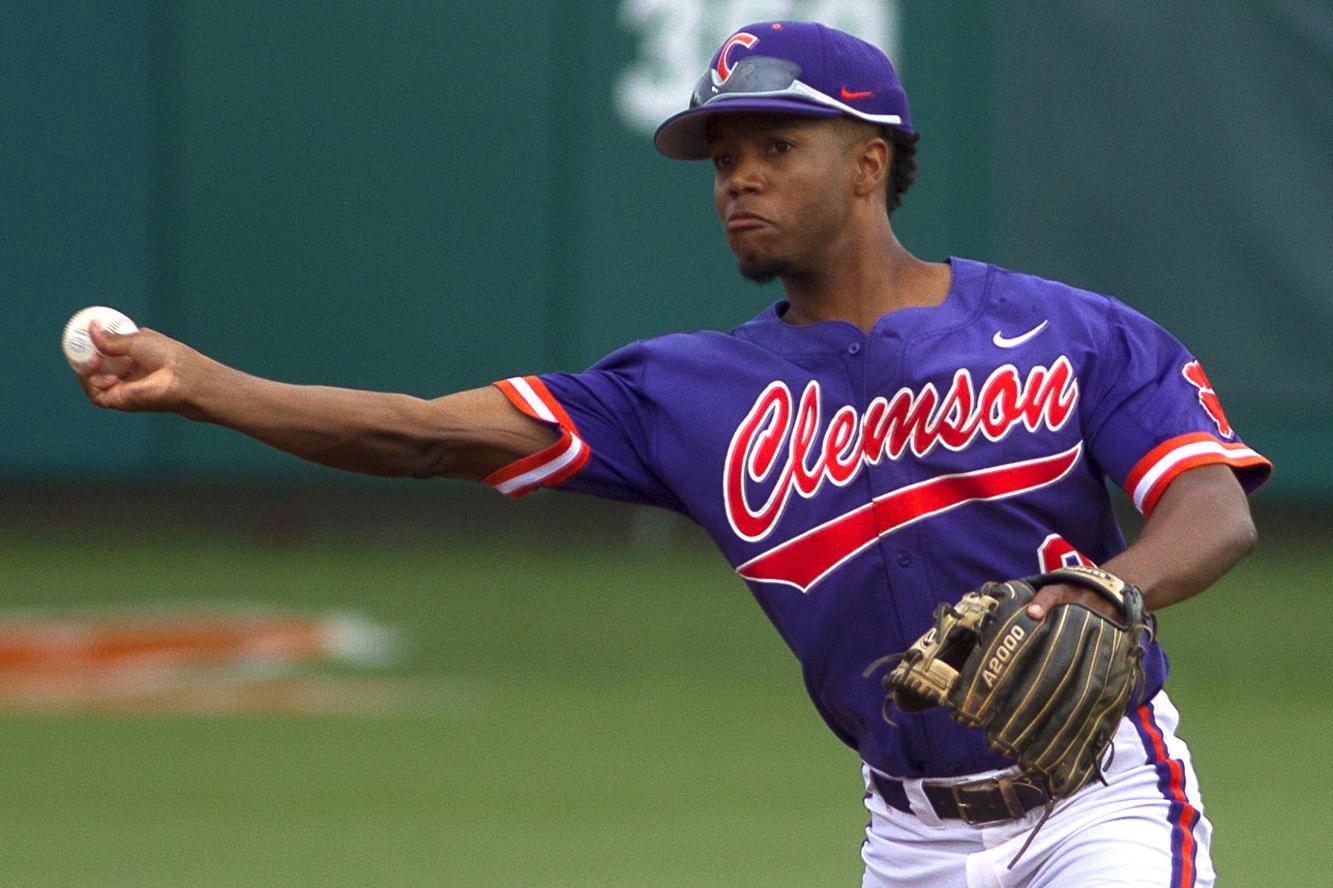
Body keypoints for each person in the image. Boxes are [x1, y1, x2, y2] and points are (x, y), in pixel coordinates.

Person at [76, 21, 1269, 888]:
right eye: (719, 155)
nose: (736, 176)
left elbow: (1211, 513)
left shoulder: (1067, 329)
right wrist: (208, 390)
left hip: (1100, 805)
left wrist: (1110, 588)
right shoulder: (685, 391)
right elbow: (424, 435)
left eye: (772, 144)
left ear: (867, 160)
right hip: (910, 837)